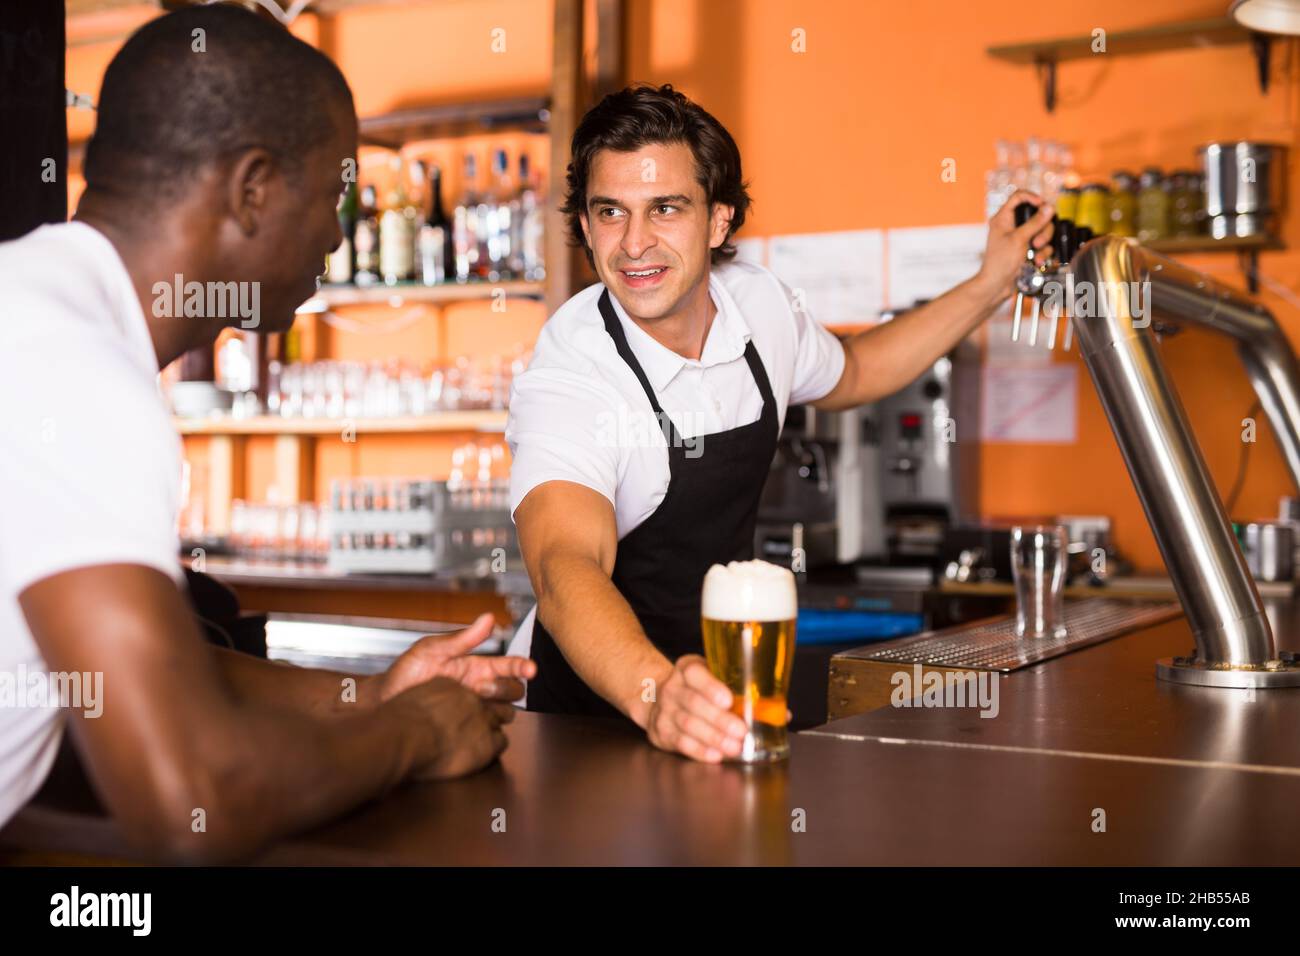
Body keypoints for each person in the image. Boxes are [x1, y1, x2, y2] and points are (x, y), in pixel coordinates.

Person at [0, 5, 534, 863]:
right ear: (252, 191)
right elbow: (191, 800)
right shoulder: (74, 367)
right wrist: (413, 736)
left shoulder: (39, 309)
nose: (334, 233)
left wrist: (370, 697)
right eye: (333, 192)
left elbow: (151, 673)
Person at [506, 83, 1054, 762]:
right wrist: (657, 695)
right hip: (583, 723)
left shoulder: (758, 306)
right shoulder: (573, 370)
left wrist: (989, 283)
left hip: (711, 699)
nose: (634, 243)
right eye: (610, 212)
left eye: (666, 208)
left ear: (718, 221)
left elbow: (853, 372)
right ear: (585, 227)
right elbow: (565, 566)